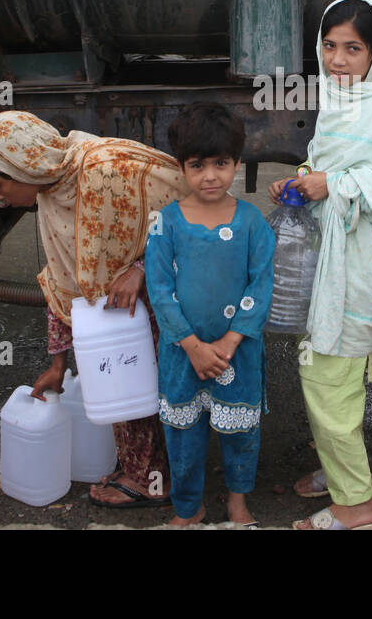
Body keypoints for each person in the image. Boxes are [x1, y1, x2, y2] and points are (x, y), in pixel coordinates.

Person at [0, 111, 187, 509]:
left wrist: (139, 268)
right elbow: (65, 283)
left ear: (24, 166)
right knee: (120, 376)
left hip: (169, 291)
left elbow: (192, 212)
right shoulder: (54, 189)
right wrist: (57, 364)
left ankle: (156, 481)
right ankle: (144, 469)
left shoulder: (108, 170)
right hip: (125, 312)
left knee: (140, 380)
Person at [268, 0, 372, 530]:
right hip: (329, 261)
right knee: (333, 379)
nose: (337, 59)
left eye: (352, 49)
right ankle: (337, 470)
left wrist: (331, 183)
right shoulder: (339, 101)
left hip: (353, 272)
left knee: (329, 382)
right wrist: (306, 176)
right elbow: (336, 162)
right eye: (330, 46)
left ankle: (356, 505)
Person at [145, 103, 276, 527]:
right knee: (183, 438)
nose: (210, 176)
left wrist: (228, 342)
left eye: (221, 163)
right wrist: (193, 346)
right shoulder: (166, 223)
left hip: (236, 353)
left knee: (241, 433)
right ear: (182, 168)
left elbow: (260, 286)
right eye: (198, 165)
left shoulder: (252, 222)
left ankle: (238, 505)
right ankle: (189, 508)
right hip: (183, 354)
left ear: (237, 163)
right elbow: (160, 291)